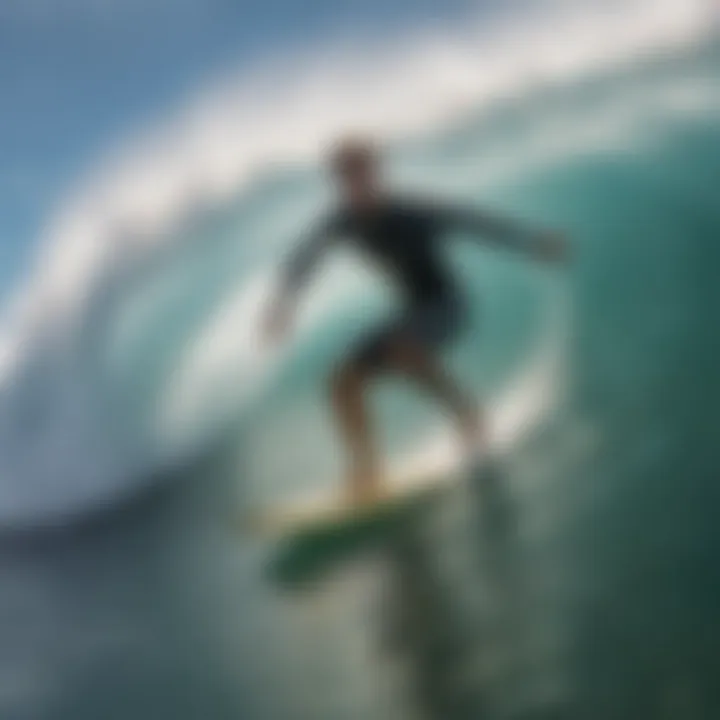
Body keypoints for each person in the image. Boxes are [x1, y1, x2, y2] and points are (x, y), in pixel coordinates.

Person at [262, 137, 568, 505]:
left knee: (402, 349)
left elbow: (471, 222)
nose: (353, 184)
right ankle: (366, 467)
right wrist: (283, 304)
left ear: (374, 173)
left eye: (359, 174)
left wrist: (531, 243)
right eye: (344, 178)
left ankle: (466, 414)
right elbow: (304, 258)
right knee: (341, 381)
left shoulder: (411, 213)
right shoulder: (340, 222)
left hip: (447, 306)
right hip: (410, 315)